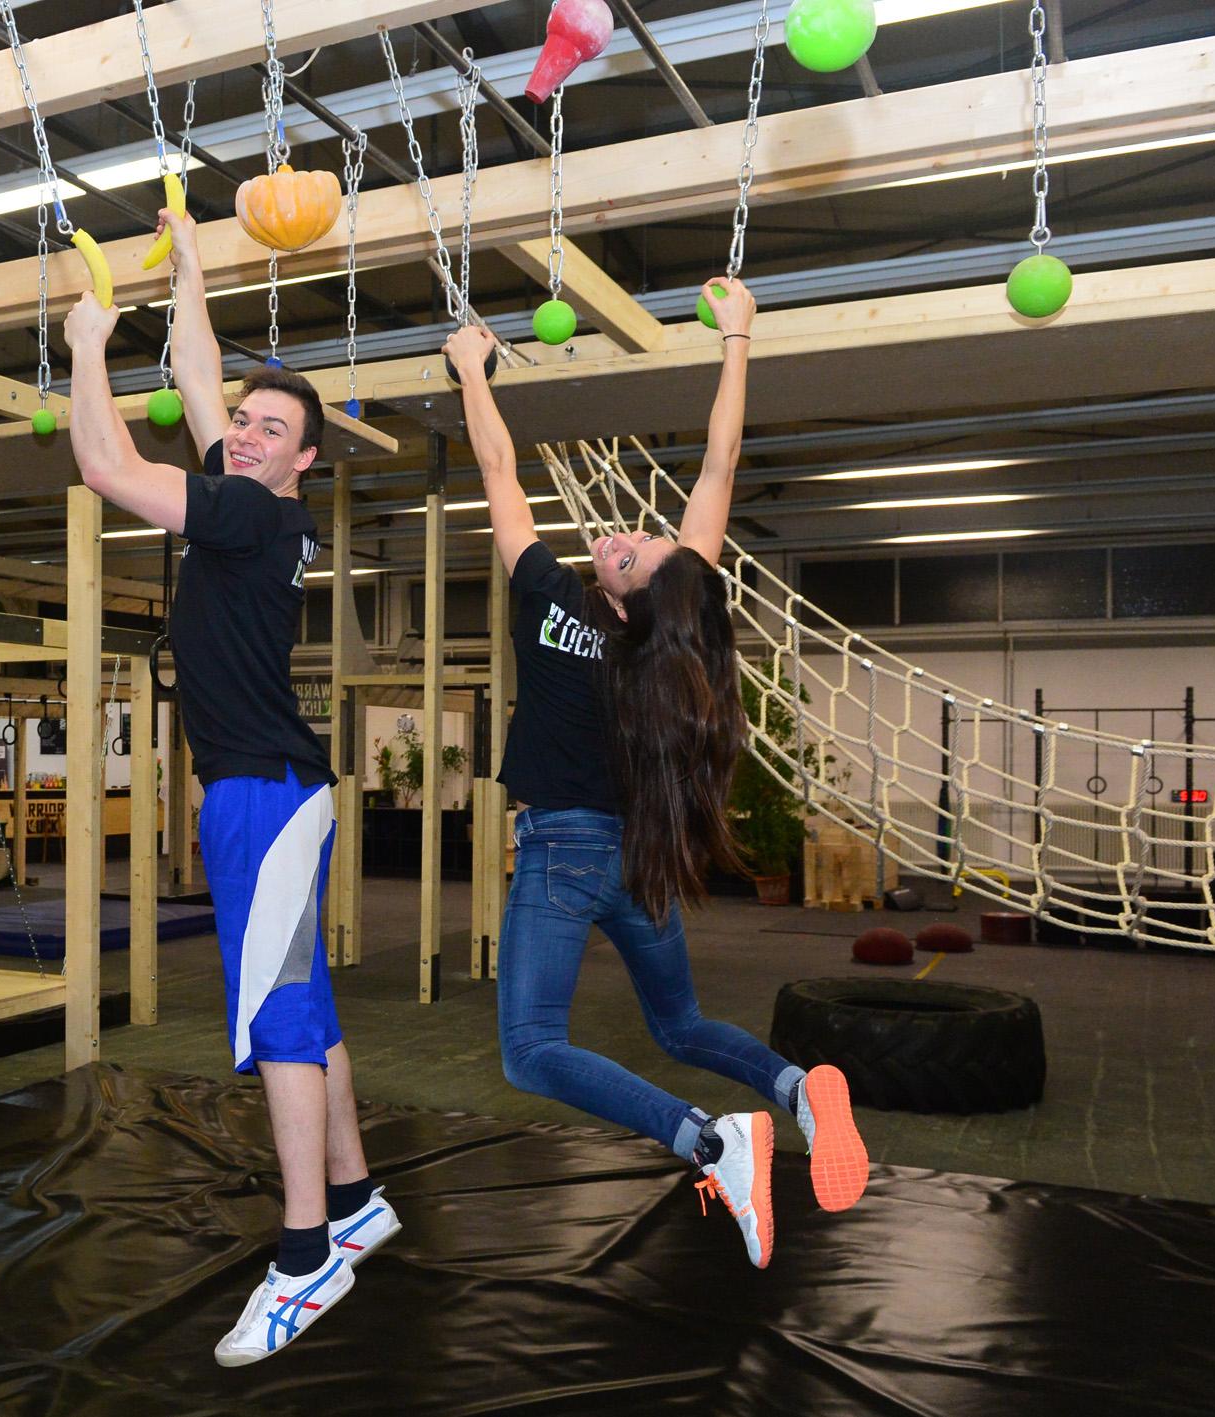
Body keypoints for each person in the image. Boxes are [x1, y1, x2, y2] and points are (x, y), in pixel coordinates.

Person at [451, 282, 868, 1271]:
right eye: (629, 540)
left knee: (530, 1049)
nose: (620, 537)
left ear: (633, 595)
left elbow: (498, 467)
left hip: (559, 851)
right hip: (637, 855)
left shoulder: (550, 598)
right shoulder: (666, 651)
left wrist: (471, 371)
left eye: (634, 549)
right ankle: (798, 1088)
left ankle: (707, 1139)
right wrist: (734, 339)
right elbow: (718, 467)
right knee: (676, 1022)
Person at [66, 204, 397, 1366]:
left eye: (271, 429)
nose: (245, 435)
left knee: (280, 1019)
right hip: (264, 791)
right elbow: (201, 377)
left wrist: (85, 344)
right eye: (245, 424)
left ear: (303, 456)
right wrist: (194, 268)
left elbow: (104, 461)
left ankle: (305, 1260)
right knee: (301, 1001)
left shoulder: (250, 513)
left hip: (260, 795)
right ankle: (354, 1197)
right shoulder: (252, 500)